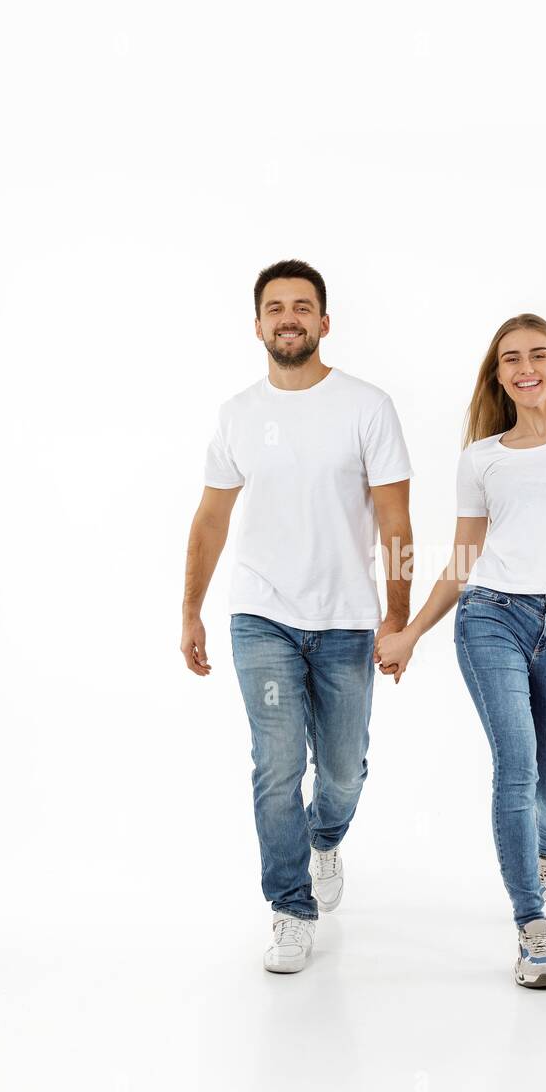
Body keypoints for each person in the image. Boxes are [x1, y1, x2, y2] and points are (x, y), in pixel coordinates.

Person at [374, 313, 546, 988]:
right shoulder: (482, 458)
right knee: (517, 765)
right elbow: (464, 556)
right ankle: (532, 927)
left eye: (537, 355)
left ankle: (544, 850)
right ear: (498, 375)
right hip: (489, 615)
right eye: (510, 359)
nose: (524, 367)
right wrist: (412, 632)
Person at [181, 260, 414, 974]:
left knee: (341, 769)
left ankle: (325, 838)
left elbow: (396, 522)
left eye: (302, 306)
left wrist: (398, 617)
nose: (289, 317)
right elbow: (211, 519)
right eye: (276, 307)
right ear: (258, 325)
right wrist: (190, 608)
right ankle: (289, 907)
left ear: (324, 321)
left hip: (346, 618)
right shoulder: (238, 415)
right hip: (262, 617)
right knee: (276, 764)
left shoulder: (367, 406)